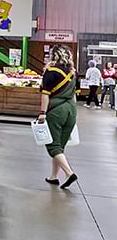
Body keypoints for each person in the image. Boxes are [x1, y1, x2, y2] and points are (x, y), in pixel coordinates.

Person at [38, 45, 78, 189]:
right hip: (71, 110)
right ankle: (54, 176)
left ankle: (69, 173)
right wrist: (72, 114)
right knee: (60, 146)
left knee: (53, 146)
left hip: (56, 111)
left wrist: (43, 113)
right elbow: (74, 94)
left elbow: (45, 94)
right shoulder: (73, 72)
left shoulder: (51, 71)